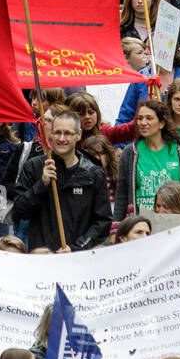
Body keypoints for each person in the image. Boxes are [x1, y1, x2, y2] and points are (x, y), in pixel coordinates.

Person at [13, 108, 111, 252]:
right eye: (57, 132)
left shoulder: (93, 173)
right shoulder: (34, 167)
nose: (61, 138)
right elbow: (19, 211)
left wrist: (76, 248)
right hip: (43, 257)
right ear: (50, 134)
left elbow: (103, 222)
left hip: (79, 258)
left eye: (67, 133)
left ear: (78, 135)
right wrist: (42, 185)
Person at [113, 100, 180, 222]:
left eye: (149, 118)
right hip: (142, 226)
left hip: (176, 223)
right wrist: (115, 228)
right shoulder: (130, 153)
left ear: (161, 123)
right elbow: (121, 194)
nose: (143, 123)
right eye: (139, 119)